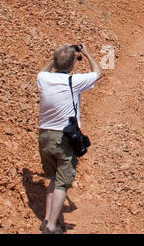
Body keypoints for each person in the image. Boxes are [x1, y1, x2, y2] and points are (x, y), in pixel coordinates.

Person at [36, 43, 101, 233]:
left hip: (44, 136)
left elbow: (43, 71)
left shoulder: (44, 79)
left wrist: (55, 60)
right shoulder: (73, 82)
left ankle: (47, 219)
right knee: (62, 182)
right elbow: (98, 73)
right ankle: (51, 226)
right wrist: (87, 54)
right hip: (63, 138)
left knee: (53, 178)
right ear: (72, 64)